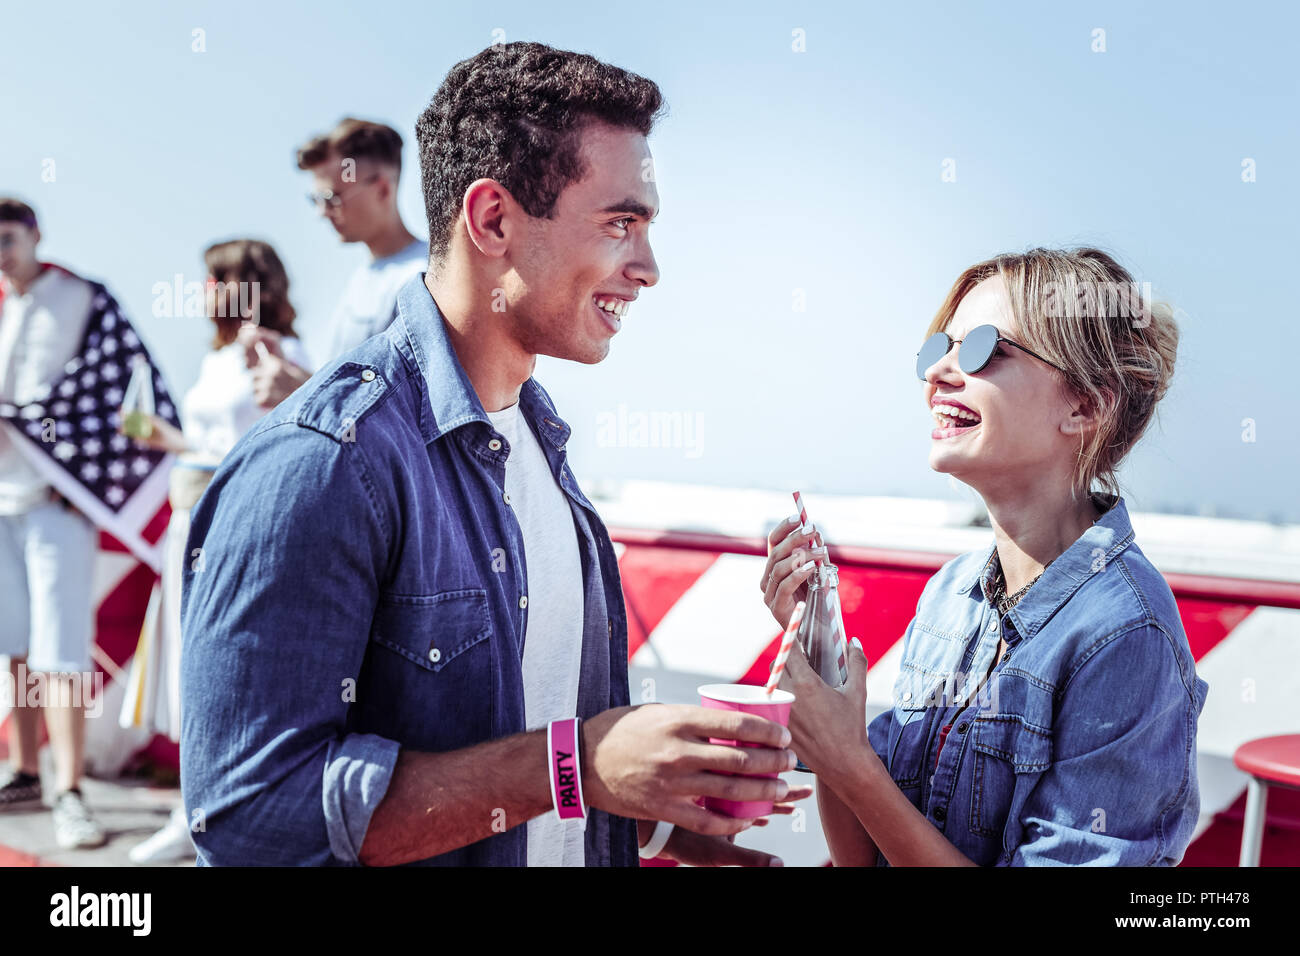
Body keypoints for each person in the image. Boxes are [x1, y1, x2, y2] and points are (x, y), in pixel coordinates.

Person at [180, 41, 809, 867]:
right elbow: (253, 816)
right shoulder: (325, 460)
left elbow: (527, 729)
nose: (649, 268)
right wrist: (576, 764)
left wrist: (658, 824)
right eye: (622, 223)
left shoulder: (539, 443)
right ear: (493, 221)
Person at [761, 247, 1210, 866]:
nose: (940, 372)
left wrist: (850, 761)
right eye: (938, 349)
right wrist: (820, 657)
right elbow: (862, 858)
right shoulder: (950, 595)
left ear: (1085, 406)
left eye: (983, 352)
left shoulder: (1127, 635)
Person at [119, 238, 312, 863]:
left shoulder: (283, 352)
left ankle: (220, 809)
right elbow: (204, 439)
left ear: (243, 283)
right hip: (186, 514)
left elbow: (284, 434)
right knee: (183, 657)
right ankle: (188, 806)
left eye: (213, 278)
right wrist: (160, 436)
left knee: (221, 658)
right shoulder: (216, 357)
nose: (202, 291)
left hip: (234, 519)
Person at [0, 198, 106, 848]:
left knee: (61, 648)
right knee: (14, 643)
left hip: (59, 498)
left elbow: (113, 387)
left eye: (9, 237)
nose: (2, 251)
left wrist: (86, 476)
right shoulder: (2, 306)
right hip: (2, 499)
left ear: (36, 235)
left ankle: (71, 789)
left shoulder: (82, 298)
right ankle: (25, 770)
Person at [235, 118, 427, 408]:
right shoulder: (364, 277)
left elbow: (409, 407)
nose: (322, 213)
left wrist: (302, 391)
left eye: (332, 198)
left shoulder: (422, 276)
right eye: (316, 200)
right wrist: (293, 375)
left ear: (382, 190)